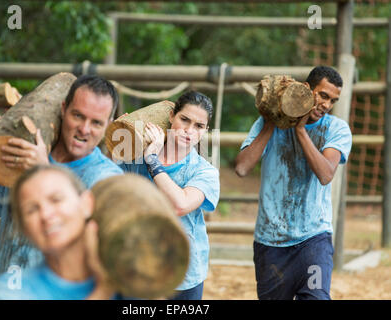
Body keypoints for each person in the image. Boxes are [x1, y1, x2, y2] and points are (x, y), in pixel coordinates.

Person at [0, 75, 123, 299]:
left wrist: (43, 172)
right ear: (63, 109)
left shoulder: (107, 179)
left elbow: (99, 254)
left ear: (109, 125)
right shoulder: (23, 154)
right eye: (78, 116)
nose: (85, 129)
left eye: (96, 123)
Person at [235, 66, 352, 300]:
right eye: (323, 96)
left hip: (314, 240)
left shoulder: (337, 128)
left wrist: (300, 130)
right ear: (306, 90)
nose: (327, 105)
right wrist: (272, 121)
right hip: (271, 243)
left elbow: (326, 174)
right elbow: (241, 168)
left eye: (333, 100)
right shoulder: (266, 123)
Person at [118, 91, 220, 300]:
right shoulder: (136, 157)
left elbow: (180, 205)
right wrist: (115, 135)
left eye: (199, 126)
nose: (189, 131)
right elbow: (108, 183)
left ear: (205, 131)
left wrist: (152, 161)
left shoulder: (205, 172)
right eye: (184, 120)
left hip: (184, 273)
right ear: (172, 116)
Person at [0, 165, 113, 300]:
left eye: (56, 199)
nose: (46, 215)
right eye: (32, 209)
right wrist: (104, 289)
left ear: (87, 203)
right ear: (24, 229)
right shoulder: (12, 290)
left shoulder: (130, 275)